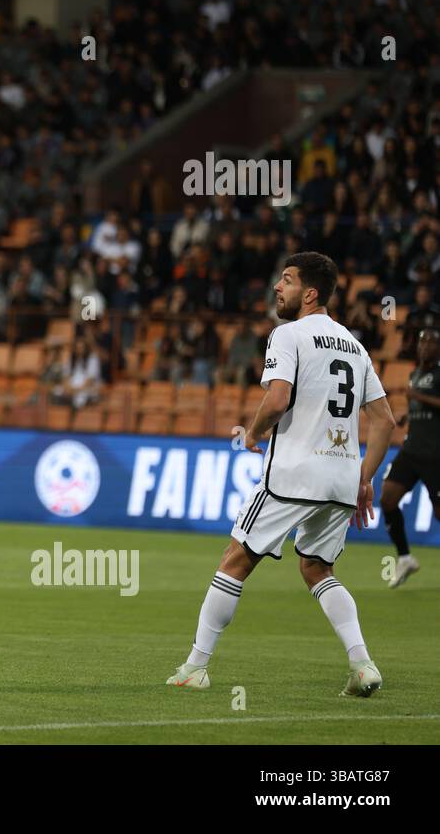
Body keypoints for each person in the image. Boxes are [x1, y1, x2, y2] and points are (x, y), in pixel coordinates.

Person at [167, 252, 394, 698]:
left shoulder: (287, 334)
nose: (278, 287)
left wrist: (252, 434)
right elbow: (384, 421)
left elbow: (276, 400)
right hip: (341, 477)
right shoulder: (355, 345)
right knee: (316, 567)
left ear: (309, 294)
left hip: (293, 473)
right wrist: (365, 478)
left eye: (287, 281)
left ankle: (195, 667)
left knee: (235, 559)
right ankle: (362, 663)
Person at [379, 327, 440, 588]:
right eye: (422, 342)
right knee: (387, 499)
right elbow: (420, 409)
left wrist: (419, 398)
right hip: (412, 450)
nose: (424, 346)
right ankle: (405, 558)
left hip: (435, 453)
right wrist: (408, 416)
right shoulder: (415, 373)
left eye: (430, 343)